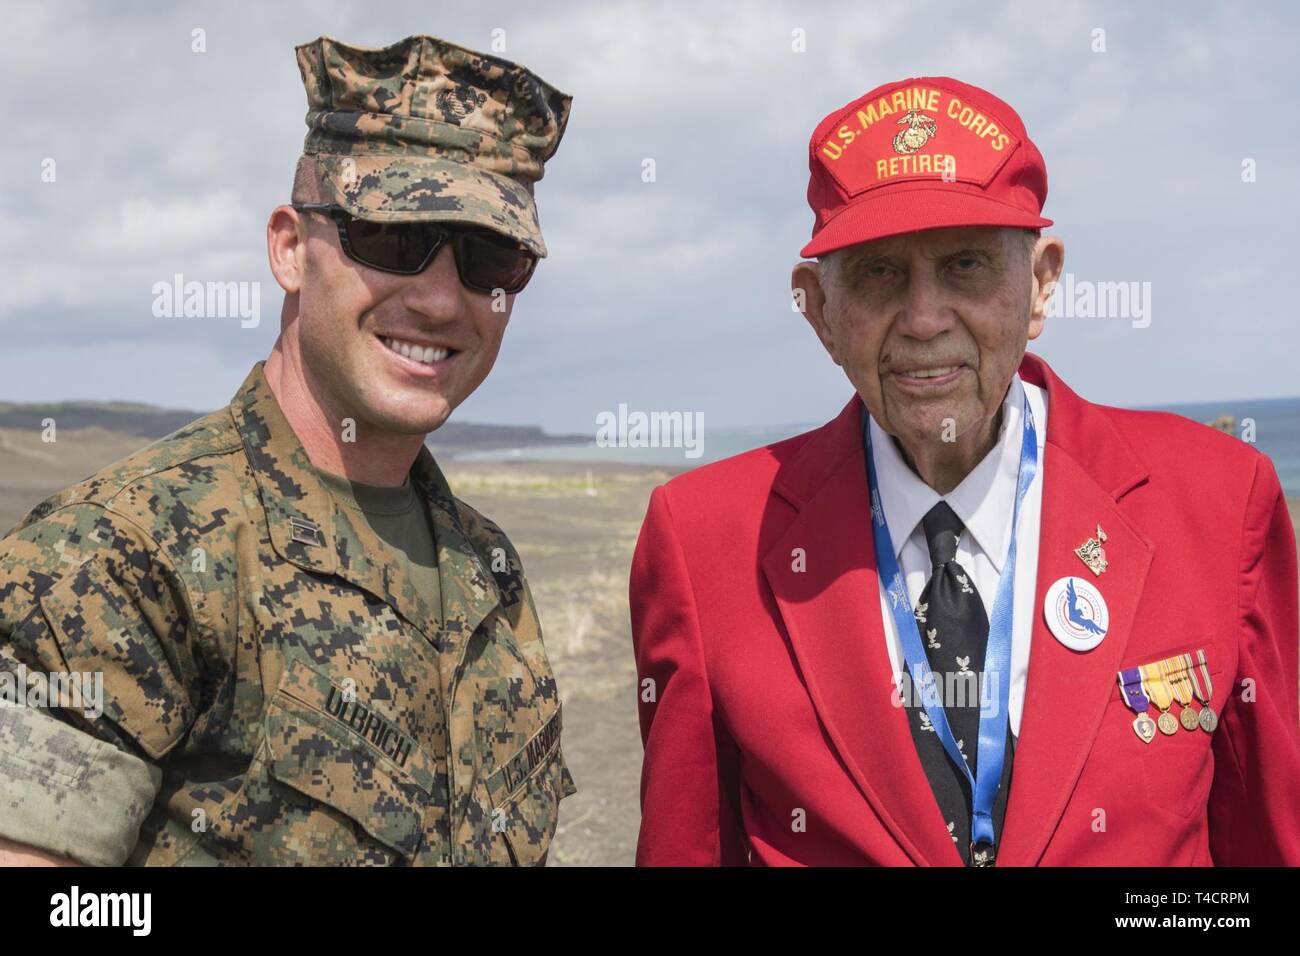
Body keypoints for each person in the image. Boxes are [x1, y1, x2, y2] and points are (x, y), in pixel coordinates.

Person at [629, 76, 1300, 866]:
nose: (923, 318)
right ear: (816, 308)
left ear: (1043, 282)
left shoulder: (1222, 502)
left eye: (967, 265)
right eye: (878, 272)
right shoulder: (706, 543)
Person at [0, 33, 576, 866]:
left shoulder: (486, 570)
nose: (443, 299)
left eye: (490, 258)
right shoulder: (120, 556)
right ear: (288, 248)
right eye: (390, 235)